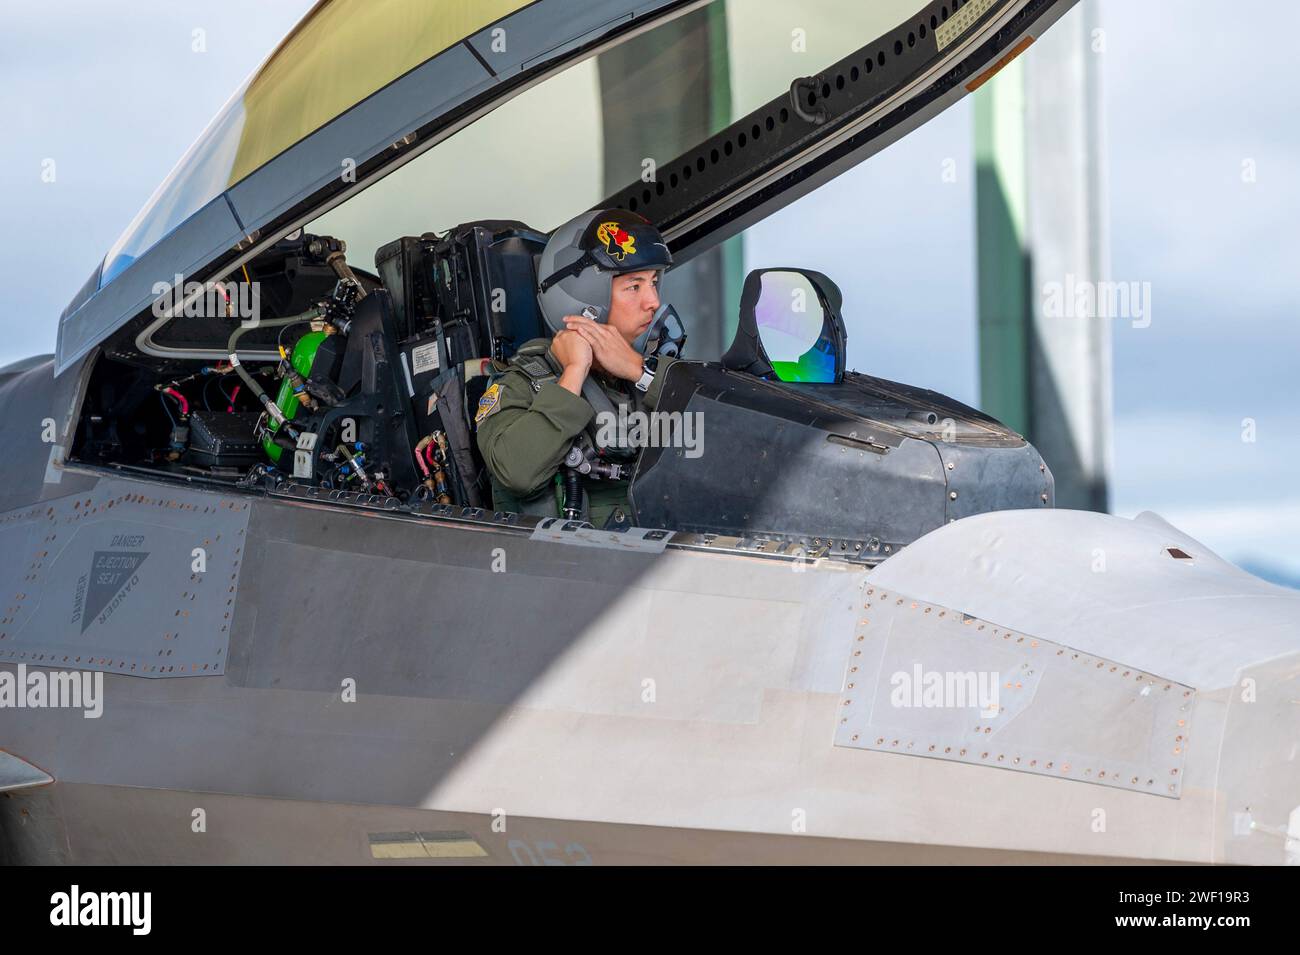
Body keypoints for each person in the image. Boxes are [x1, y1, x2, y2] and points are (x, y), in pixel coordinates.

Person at [475, 209, 680, 527]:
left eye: (654, 282)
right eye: (634, 286)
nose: (652, 301)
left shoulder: (648, 378)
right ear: (584, 298)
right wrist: (574, 371)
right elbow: (517, 471)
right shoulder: (517, 387)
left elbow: (724, 438)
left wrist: (639, 371)